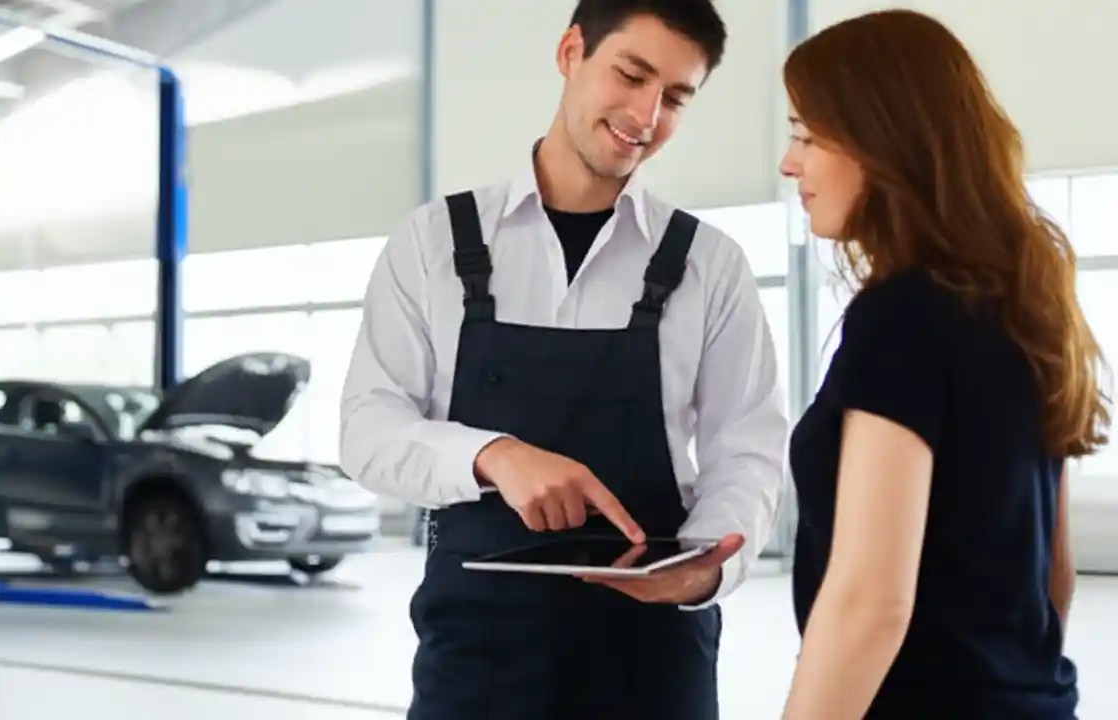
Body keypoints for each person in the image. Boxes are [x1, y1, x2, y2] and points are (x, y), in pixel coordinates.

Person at [339, 1, 787, 717]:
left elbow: (749, 452)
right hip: (476, 662)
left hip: (652, 663)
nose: (646, 115)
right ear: (571, 51)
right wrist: (495, 454)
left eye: (674, 98)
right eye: (631, 75)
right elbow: (367, 432)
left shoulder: (710, 266)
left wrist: (702, 570)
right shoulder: (432, 245)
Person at [778, 9, 1112, 719]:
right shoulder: (1023, 306)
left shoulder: (900, 318)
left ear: (881, 138)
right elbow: (1051, 575)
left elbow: (870, 600)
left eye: (806, 135)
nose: (790, 163)